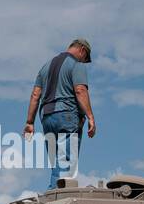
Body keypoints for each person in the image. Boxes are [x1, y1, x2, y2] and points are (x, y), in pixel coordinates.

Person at [23, 37, 96, 189]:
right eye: (85, 58)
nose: (84, 61)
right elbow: (80, 90)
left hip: (47, 118)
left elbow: (35, 95)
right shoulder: (77, 65)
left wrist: (29, 122)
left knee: (56, 161)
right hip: (67, 116)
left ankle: (53, 190)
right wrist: (90, 117)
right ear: (82, 50)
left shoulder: (45, 67)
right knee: (66, 161)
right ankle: (57, 194)